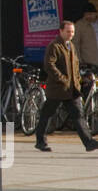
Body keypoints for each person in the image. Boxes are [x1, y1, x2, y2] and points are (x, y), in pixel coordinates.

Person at [35, 19, 98, 154]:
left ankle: (89, 143)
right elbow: (49, 65)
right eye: (68, 31)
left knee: (78, 115)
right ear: (61, 31)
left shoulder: (71, 46)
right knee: (47, 114)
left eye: (72, 32)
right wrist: (63, 79)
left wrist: (79, 80)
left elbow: (74, 66)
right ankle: (40, 141)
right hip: (58, 89)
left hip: (72, 89)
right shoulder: (54, 45)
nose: (71, 34)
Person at [73, 3, 98, 70]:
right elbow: (75, 44)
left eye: (90, 14)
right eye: (86, 15)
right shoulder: (79, 25)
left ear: (96, 13)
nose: (88, 16)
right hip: (89, 63)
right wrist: (79, 61)